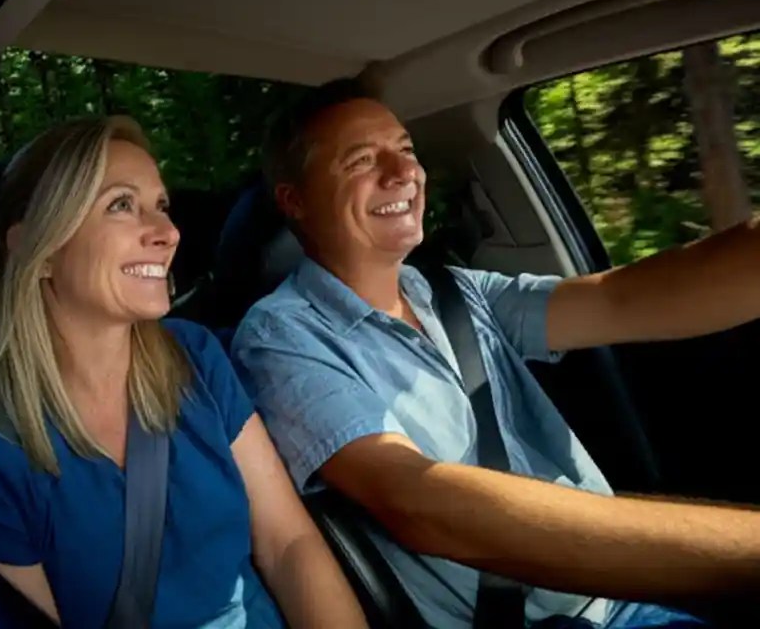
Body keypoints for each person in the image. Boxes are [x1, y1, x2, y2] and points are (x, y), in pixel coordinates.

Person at [230, 78, 760, 629]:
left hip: (617, 602)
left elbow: (621, 298)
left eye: (406, 150)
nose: (402, 172)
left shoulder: (461, 292)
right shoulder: (280, 337)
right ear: (294, 199)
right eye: (362, 160)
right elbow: (414, 497)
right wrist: (738, 551)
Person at [0, 116, 368, 628]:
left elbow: (289, 544)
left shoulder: (194, 356)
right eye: (121, 205)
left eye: (162, 206)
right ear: (35, 250)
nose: (169, 233)